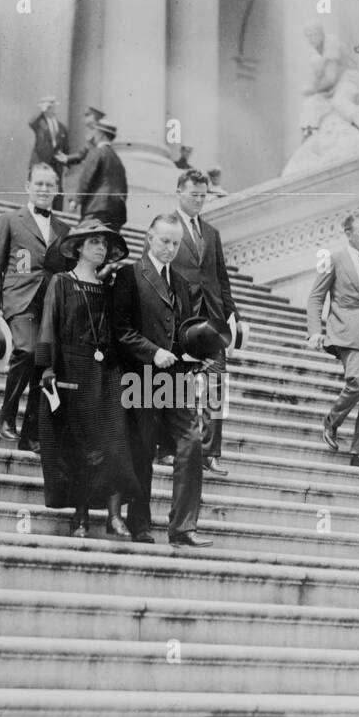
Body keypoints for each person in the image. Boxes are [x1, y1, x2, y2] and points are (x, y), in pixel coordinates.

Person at [36, 218, 139, 538]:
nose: (101, 248)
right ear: (78, 247)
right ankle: (79, 518)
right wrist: (47, 369)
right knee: (79, 447)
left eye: (105, 244)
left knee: (116, 444)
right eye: (94, 242)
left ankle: (114, 516)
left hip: (108, 373)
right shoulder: (61, 283)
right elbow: (48, 328)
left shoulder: (110, 288)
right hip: (73, 370)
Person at [113, 214, 211, 547]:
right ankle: (139, 524)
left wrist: (197, 350)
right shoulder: (129, 275)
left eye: (175, 242)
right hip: (141, 375)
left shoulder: (182, 283)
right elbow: (120, 331)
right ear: (149, 238)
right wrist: (153, 352)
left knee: (192, 442)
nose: (169, 248)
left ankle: (183, 527)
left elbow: (184, 331)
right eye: (164, 241)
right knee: (142, 449)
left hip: (176, 379)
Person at [0, 163, 70, 452]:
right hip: (19, 301)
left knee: (43, 365)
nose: (44, 190)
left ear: (56, 189)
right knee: (27, 352)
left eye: (49, 185)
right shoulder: (10, 220)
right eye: (39, 184)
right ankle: (7, 416)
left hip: (50, 305)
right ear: (28, 186)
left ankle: (31, 434)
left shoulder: (63, 229)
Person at [306, 211, 359, 470]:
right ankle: (332, 421)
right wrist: (314, 331)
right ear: (349, 234)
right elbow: (315, 297)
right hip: (346, 333)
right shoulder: (333, 260)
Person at [171, 169, 238, 477]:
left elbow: (221, 278)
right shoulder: (166, 226)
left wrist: (233, 314)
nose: (199, 200)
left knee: (216, 383)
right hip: (179, 315)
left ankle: (211, 452)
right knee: (175, 383)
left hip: (212, 319)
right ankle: (171, 447)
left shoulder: (212, 233)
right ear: (179, 192)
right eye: (193, 194)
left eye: (202, 195)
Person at [299, 19, 359, 139]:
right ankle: (310, 135)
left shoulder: (331, 43)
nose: (312, 38)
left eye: (314, 34)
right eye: (308, 35)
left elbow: (331, 78)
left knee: (339, 100)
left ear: (321, 33)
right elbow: (320, 79)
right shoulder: (315, 54)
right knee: (310, 103)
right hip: (332, 87)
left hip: (348, 79)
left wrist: (313, 89)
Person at [73, 117, 128, 229]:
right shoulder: (118, 160)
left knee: (86, 238)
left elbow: (86, 178)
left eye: (95, 131)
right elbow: (124, 188)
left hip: (96, 208)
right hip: (117, 211)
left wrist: (76, 201)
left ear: (101, 134)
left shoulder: (97, 152)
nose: (93, 134)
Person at [27, 95, 71, 209]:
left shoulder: (61, 127)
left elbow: (66, 146)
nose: (51, 109)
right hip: (40, 161)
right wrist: (41, 109)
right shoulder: (40, 123)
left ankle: (57, 214)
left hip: (56, 163)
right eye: (48, 107)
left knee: (57, 189)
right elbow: (31, 121)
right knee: (38, 187)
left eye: (52, 107)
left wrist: (66, 165)